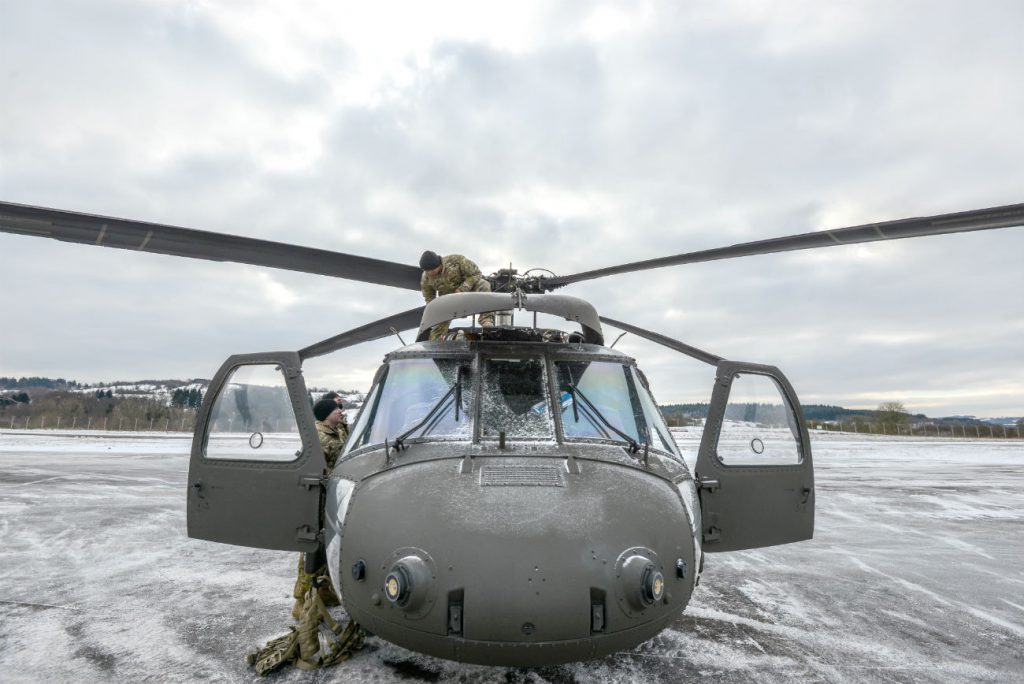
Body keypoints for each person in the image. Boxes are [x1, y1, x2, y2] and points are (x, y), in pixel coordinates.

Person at [291, 398, 348, 619]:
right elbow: (311, 469)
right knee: (313, 550)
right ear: (326, 415)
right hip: (320, 499)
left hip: (334, 496)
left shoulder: (336, 431)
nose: (340, 412)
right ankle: (301, 601)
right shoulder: (319, 437)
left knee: (329, 546)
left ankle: (324, 591)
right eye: (336, 410)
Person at [419, 250, 494, 340]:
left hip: (469, 294)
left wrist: (462, 289)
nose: (428, 274)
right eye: (425, 271)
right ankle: (436, 342)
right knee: (435, 335)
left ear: (438, 266)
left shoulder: (456, 261)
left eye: (430, 271)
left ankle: (486, 321)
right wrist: (435, 312)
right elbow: (429, 298)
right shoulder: (426, 278)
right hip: (448, 301)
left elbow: (476, 273)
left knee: (483, 284)